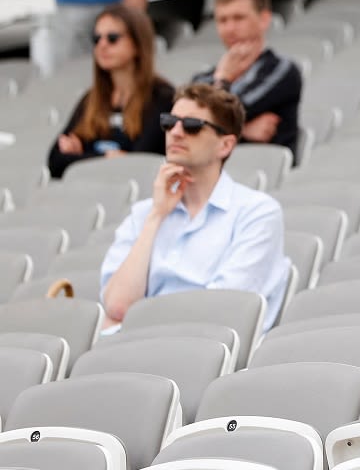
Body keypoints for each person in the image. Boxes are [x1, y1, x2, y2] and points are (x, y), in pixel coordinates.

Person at [100, 83, 290, 333]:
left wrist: (134, 320)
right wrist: (156, 216)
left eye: (192, 126)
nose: (176, 132)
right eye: (169, 122)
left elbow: (221, 309)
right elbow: (116, 306)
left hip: (203, 352)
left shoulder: (257, 213)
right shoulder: (144, 214)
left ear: (226, 145)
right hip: (134, 347)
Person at [47, 5, 175, 180]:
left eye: (113, 38)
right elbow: (55, 162)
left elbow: (138, 163)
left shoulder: (163, 98)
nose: (102, 45)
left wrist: (81, 155)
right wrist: (107, 157)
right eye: (96, 39)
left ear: (137, 43)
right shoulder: (91, 99)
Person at [191, 0, 302, 162]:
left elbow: (218, 118)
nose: (230, 29)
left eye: (239, 18)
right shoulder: (203, 77)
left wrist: (223, 80)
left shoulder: (282, 70)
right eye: (222, 20)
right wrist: (244, 130)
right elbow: (186, 125)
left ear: (264, 19)